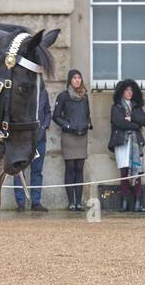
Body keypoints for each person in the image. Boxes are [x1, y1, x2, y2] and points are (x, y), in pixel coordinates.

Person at [52, 69, 92, 210]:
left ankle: (79, 202)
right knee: (70, 167)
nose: (77, 80)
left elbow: (87, 113)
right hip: (69, 136)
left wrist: (88, 123)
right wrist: (68, 125)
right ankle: (71, 202)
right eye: (74, 78)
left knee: (79, 168)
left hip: (82, 136)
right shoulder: (63, 96)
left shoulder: (84, 96)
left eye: (79, 78)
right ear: (70, 80)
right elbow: (56, 116)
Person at [107, 79, 144, 213]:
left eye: (131, 90)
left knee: (137, 172)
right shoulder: (116, 107)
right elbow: (119, 122)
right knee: (124, 172)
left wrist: (132, 118)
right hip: (122, 142)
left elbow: (142, 121)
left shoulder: (136, 106)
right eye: (127, 90)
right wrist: (134, 123)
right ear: (121, 92)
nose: (129, 93)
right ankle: (124, 202)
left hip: (135, 143)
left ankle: (138, 202)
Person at [14, 81, 51, 212]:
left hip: (40, 139)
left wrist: (44, 126)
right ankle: (20, 202)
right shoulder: (24, 92)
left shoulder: (44, 93)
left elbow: (48, 112)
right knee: (19, 172)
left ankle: (36, 202)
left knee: (37, 171)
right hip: (24, 139)